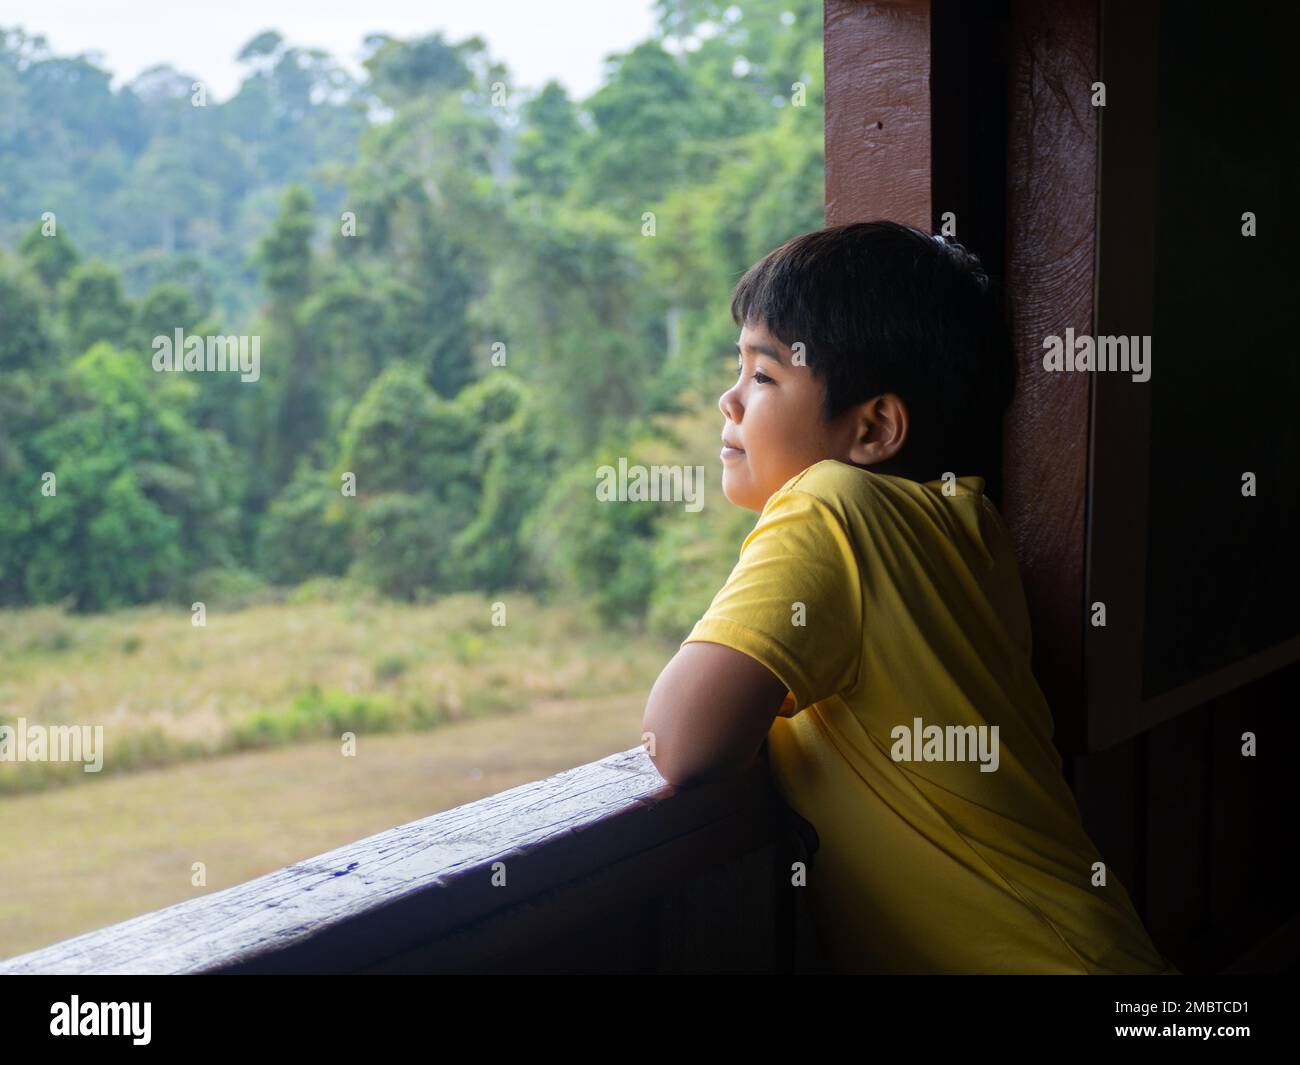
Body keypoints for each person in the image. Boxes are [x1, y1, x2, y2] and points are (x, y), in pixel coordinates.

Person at [640, 220, 1178, 974]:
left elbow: (681, 742)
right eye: (740, 368)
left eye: (764, 375)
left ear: (874, 428)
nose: (729, 401)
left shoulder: (830, 505)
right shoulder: (967, 526)